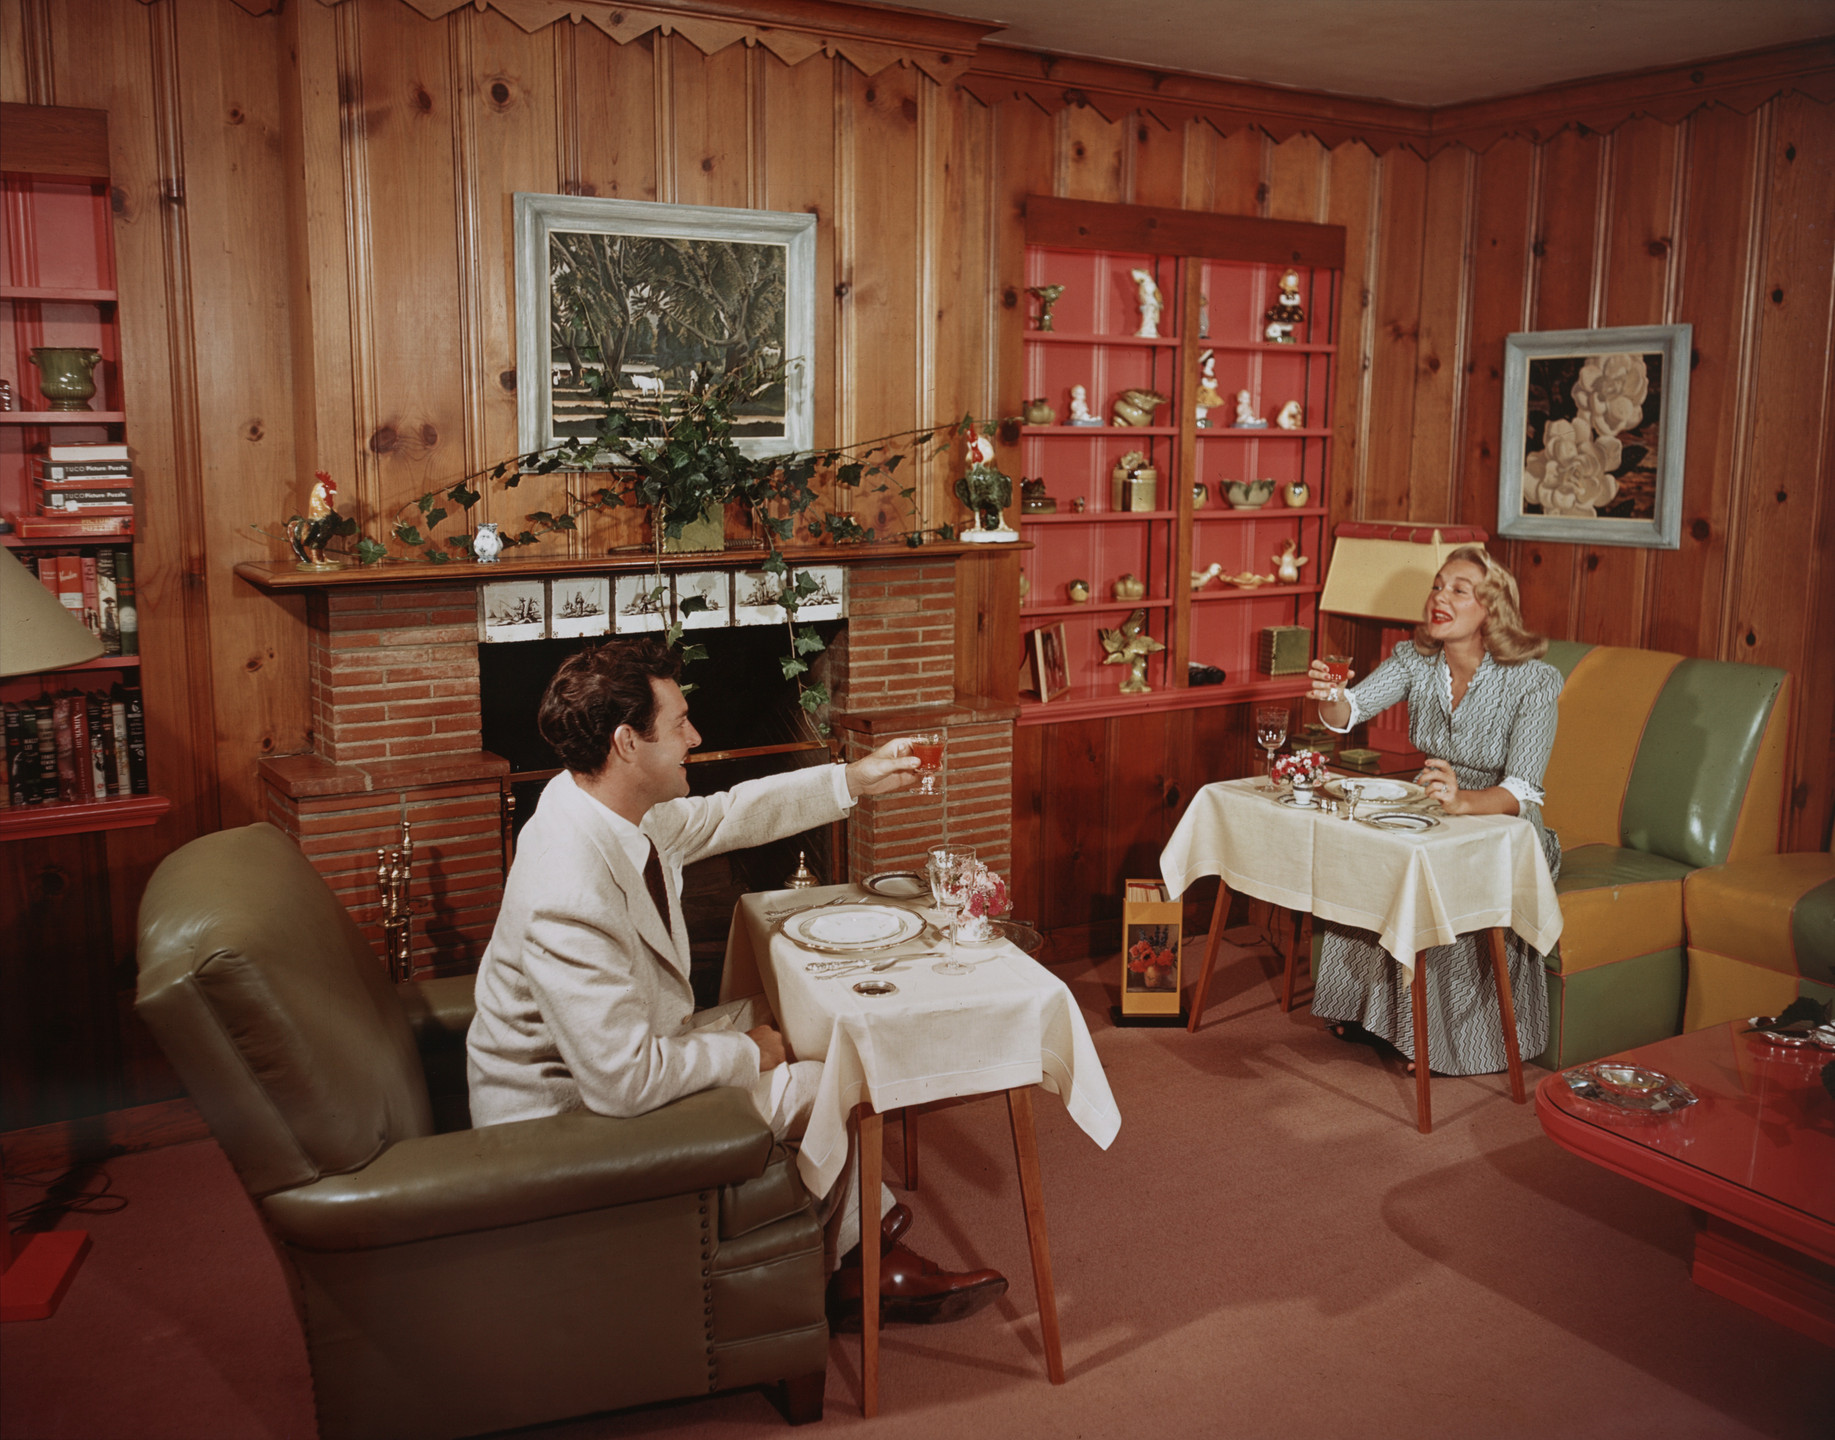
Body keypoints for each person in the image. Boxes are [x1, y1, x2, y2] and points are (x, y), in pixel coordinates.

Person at [467, 638, 1007, 1329]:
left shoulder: (600, 804)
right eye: (680, 723)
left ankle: (858, 1250)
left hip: (612, 1065)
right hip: (563, 1123)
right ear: (627, 742)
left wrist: (854, 780)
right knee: (814, 1079)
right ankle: (862, 1264)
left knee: (806, 1022)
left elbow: (727, 815)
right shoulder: (566, 885)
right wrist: (750, 1053)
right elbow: (621, 1083)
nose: (696, 736)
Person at [1307, 545, 1562, 1075]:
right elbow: (1349, 710)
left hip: (1507, 829)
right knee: (1372, 850)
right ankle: (1365, 1012)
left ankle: (1443, 1043)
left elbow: (1523, 791)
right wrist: (1330, 695)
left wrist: (1463, 800)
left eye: (1458, 589)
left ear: (1491, 609)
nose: (1439, 597)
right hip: (1439, 808)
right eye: (1437, 585)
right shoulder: (1415, 661)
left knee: (1437, 869)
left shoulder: (1534, 681)